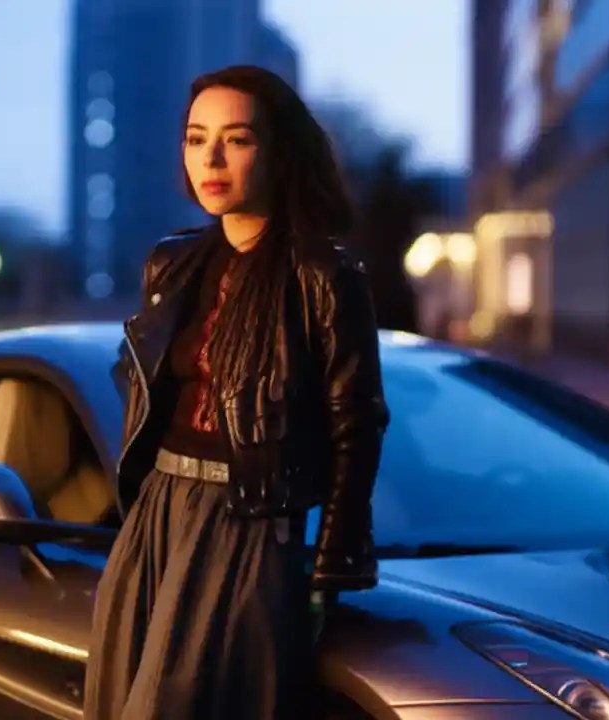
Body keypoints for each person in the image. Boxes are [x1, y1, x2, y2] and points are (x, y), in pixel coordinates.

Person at [84, 65, 390, 720]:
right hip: (157, 507)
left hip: (248, 518)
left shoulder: (323, 274)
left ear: (279, 152)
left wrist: (330, 568)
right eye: (197, 138)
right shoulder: (171, 263)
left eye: (238, 139)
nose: (211, 159)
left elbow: (356, 424)